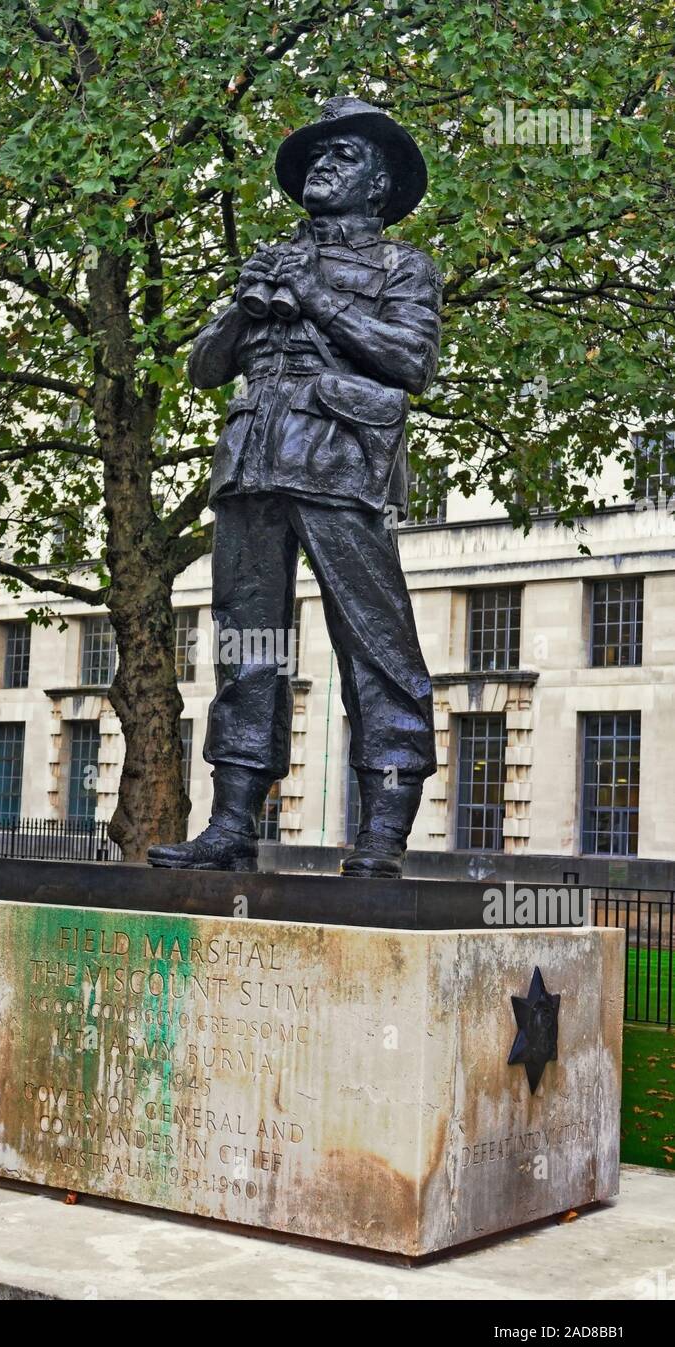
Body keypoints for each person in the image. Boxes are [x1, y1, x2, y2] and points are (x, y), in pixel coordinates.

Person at [148, 96, 442, 878]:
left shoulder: (400, 267)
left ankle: (383, 828)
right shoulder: (272, 259)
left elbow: (410, 363)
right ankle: (233, 822)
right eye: (316, 156)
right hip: (252, 467)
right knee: (248, 650)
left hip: (341, 463)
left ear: (378, 185)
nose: (322, 166)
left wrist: (314, 296)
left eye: (342, 156)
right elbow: (205, 369)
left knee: (374, 643)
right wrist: (243, 309)